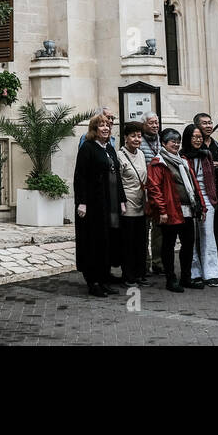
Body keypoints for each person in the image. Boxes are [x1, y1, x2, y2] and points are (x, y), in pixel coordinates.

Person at [74, 112, 125, 297]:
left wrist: (121, 199)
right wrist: (82, 202)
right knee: (94, 242)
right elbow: (80, 177)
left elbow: (117, 176)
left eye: (107, 125)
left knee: (107, 241)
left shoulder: (110, 148)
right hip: (94, 204)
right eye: (101, 125)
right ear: (94, 129)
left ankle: (104, 279)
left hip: (109, 203)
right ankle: (93, 281)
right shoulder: (87, 148)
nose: (105, 128)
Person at [146, 128, 203, 292]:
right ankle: (170, 279)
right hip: (170, 211)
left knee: (188, 244)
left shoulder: (182, 160)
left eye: (178, 141)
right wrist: (162, 210)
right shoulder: (158, 163)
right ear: (164, 143)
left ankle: (186, 277)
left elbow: (193, 184)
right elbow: (154, 188)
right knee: (168, 245)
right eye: (173, 141)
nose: (176, 144)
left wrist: (200, 206)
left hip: (187, 209)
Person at [181, 125, 218, 286]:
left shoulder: (207, 155)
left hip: (207, 198)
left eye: (199, 137)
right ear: (188, 138)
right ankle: (194, 271)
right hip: (190, 200)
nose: (197, 140)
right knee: (191, 237)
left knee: (207, 235)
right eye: (194, 137)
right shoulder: (182, 157)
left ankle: (211, 273)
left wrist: (213, 200)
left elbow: (211, 179)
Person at [117, 121, 150, 287]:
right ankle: (128, 275)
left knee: (140, 241)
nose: (137, 139)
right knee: (128, 242)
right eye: (133, 136)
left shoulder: (142, 154)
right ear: (125, 138)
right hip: (127, 204)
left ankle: (139, 274)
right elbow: (117, 182)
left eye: (139, 136)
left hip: (141, 203)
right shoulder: (120, 155)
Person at [194, 113, 218, 272]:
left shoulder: (217, 146)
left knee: (217, 230)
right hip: (201, 193)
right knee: (202, 231)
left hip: (217, 193)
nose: (208, 126)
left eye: (210, 123)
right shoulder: (195, 146)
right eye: (204, 123)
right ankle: (202, 263)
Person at [140, 112, 164, 274]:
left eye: (156, 122)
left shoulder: (162, 140)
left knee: (159, 229)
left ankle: (158, 261)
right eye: (151, 123)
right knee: (143, 228)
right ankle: (144, 262)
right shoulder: (139, 141)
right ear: (144, 125)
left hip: (159, 190)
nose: (155, 125)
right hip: (143, 191)